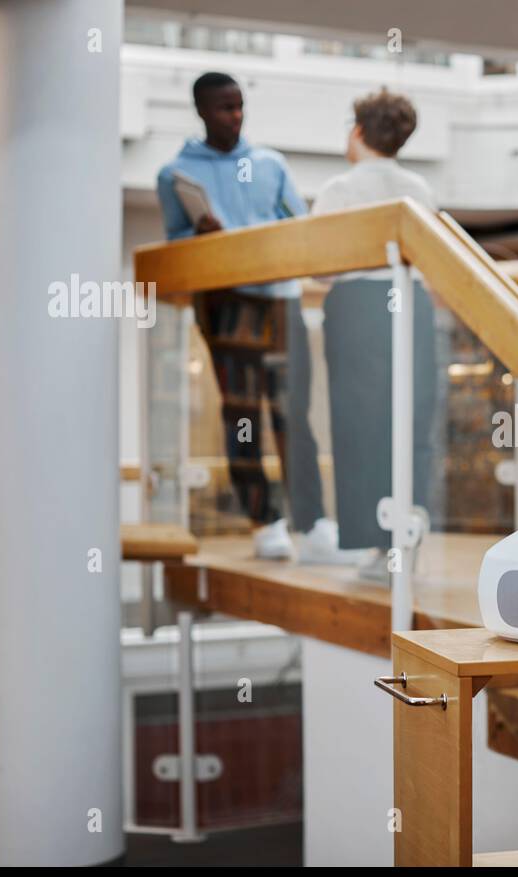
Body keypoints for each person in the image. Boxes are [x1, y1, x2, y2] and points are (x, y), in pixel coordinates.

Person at [156, 72, 342, 562]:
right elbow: (173, 244)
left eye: (239, 106)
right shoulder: (175, 174)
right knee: (242, 416)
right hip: (224, 304)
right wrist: (198, 233)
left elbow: (300, 227)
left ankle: (313, 521)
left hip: (280, 299)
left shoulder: (270, 164)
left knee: (292, 414)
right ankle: (265, 521)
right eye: (224, 108)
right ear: (201, 110)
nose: (234, 117)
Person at [310, 88, 442, 580]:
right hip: (411, 306)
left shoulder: (338, 190)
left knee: (360, 428)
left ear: (360, 131)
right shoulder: (420, 189)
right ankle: (408, 534)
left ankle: (375, 547)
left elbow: (320, 270)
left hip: (358, 309)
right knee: (408, 422)